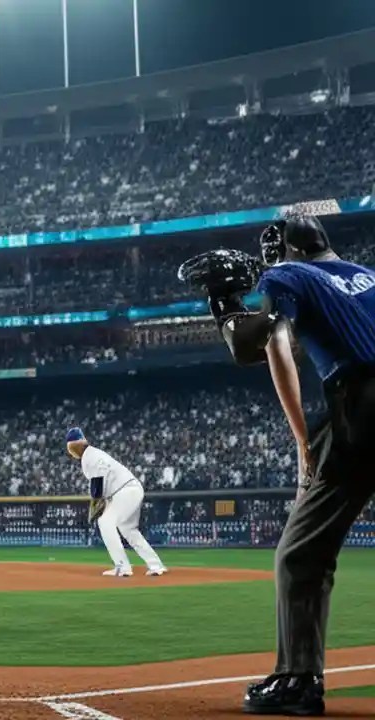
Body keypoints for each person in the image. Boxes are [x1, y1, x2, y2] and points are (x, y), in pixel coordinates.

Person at [190, 216, 375, 716]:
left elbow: (263, 344)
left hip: (362, 402)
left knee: (301, 556)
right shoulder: (367, 275)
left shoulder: (285, 276)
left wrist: (226, 308)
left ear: (285, 250)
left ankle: (298, 680)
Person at [64, 428, 166, 578]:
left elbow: (98, 480)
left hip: (124, 491)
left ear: (74, 446)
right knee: (129, 530)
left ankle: (122, 567)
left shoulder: (88, 456)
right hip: (130, 489)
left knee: (105, 522)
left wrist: (96, 502)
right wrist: (99, 500)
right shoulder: (93, 453)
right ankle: (156, 565)